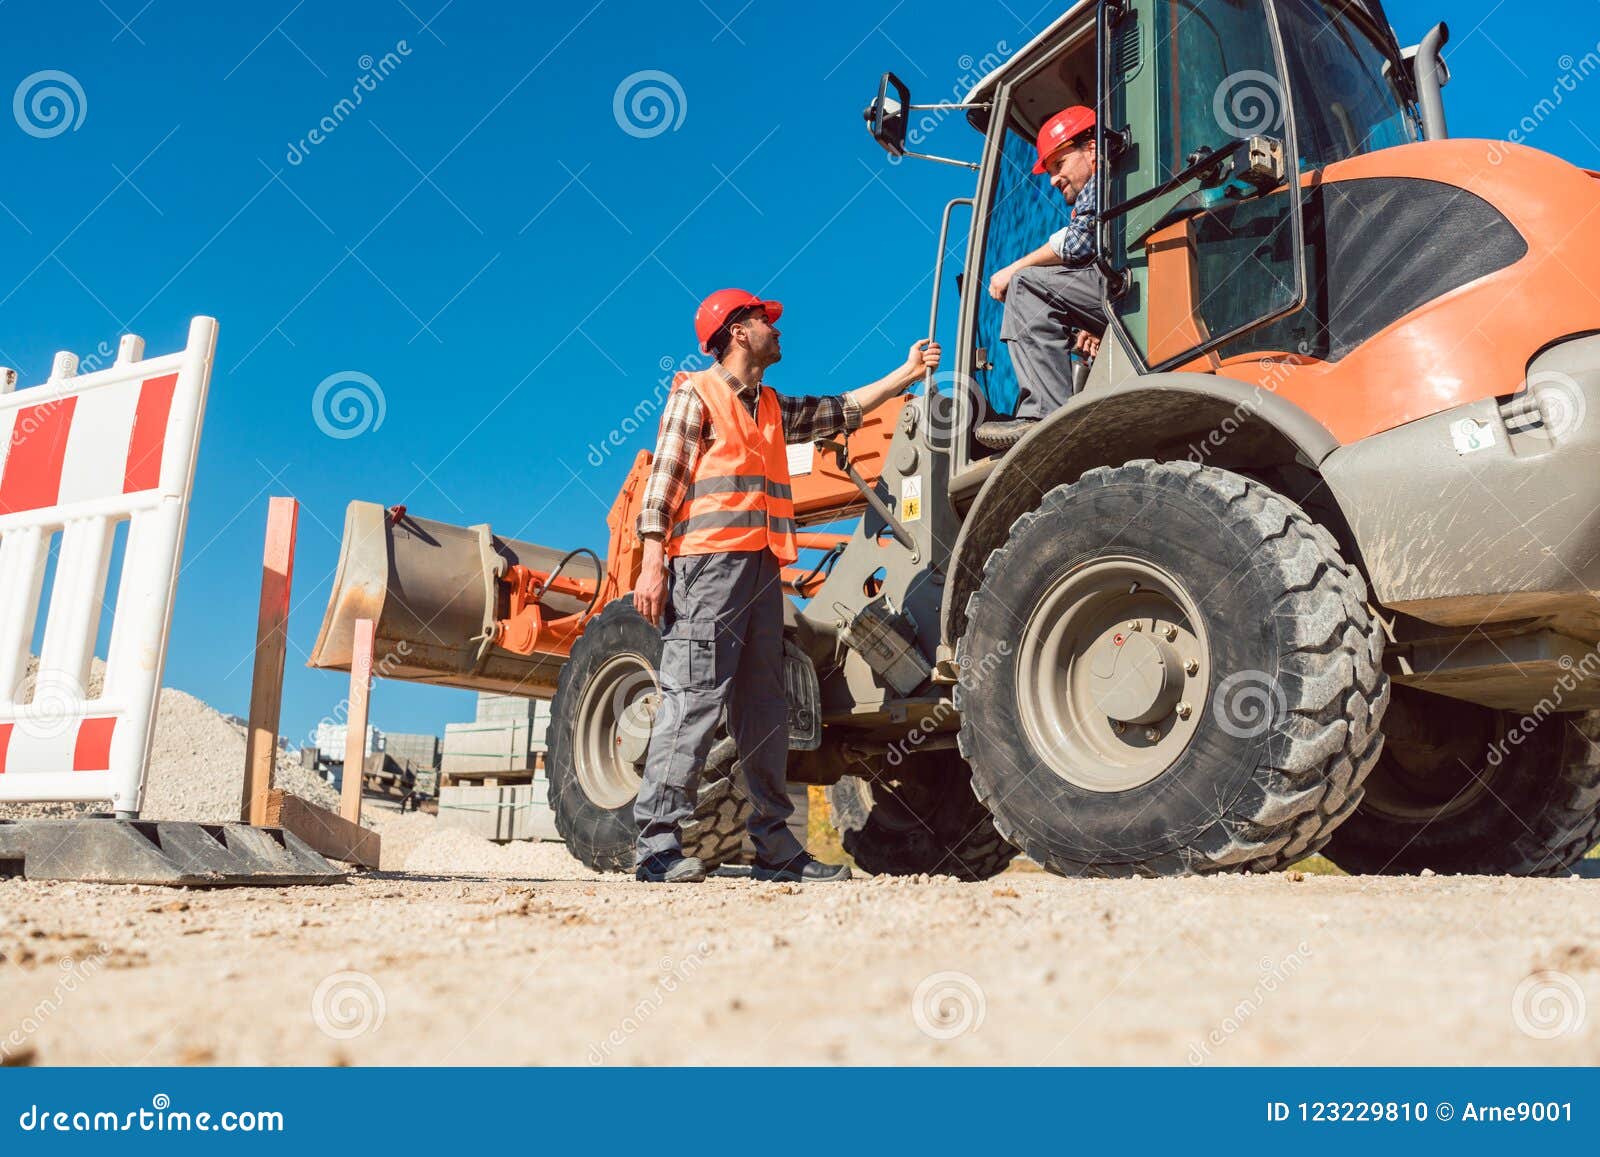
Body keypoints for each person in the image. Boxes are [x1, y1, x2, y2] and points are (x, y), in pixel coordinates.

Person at [632, 288, 940, 883]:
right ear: (737, 333)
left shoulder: (771, 406)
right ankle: (656, 846)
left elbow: (843, 409)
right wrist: (651, 561)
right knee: (694, 700)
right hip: (705, 569)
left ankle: (776, 850)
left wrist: (905, 371)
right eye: (763, 320)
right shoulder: (696, 394)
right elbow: (663, 484)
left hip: (760, 573)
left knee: (767, 712)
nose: (776, 328)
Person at [977, 105, 1107, 448]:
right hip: (1126, 290)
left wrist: (1012, 269)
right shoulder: (1116, 182)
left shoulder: (1105, 177)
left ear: (1091, 148)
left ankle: (1044, 416)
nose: (1052, 179)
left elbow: (1080, 242)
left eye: (1058, 164)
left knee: (1026, 286)